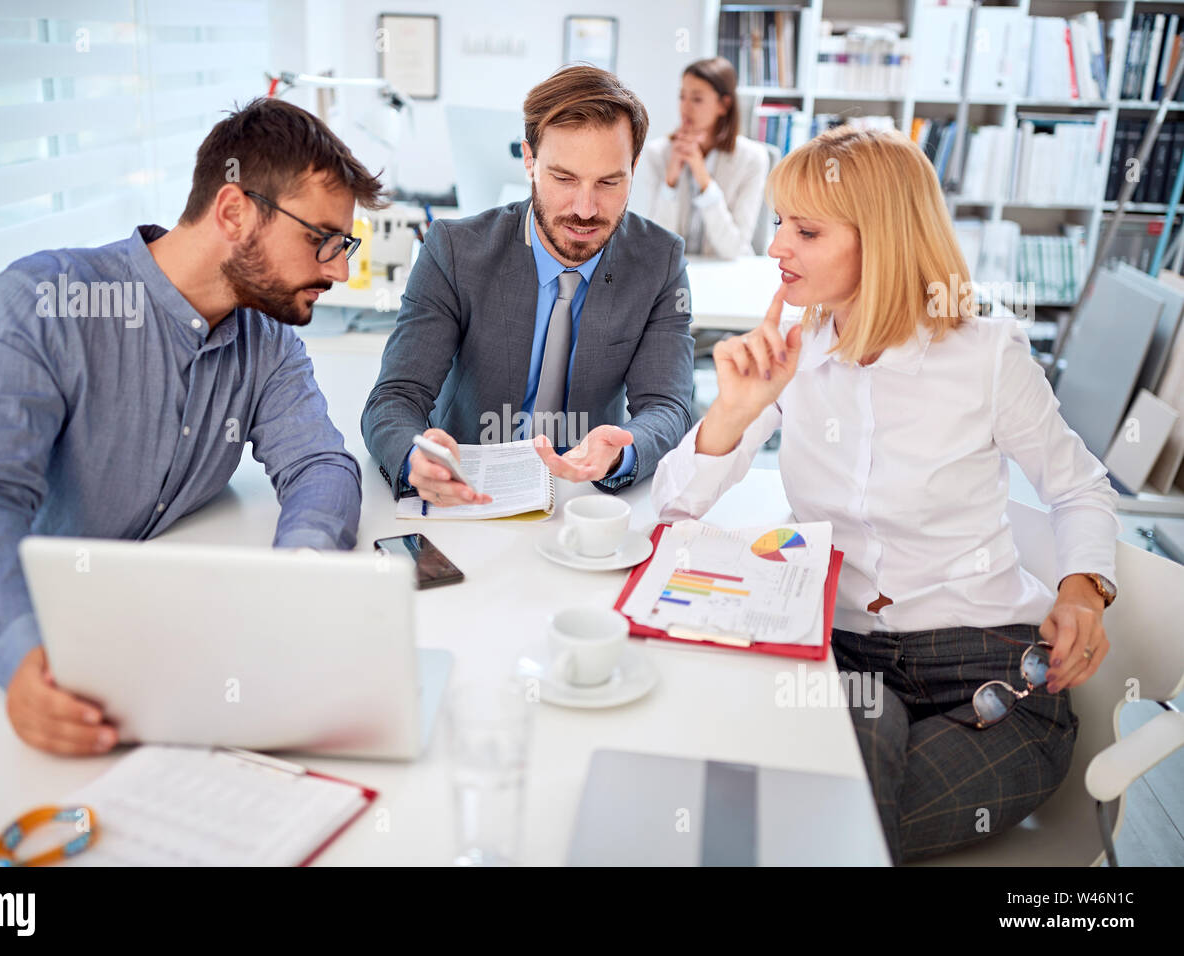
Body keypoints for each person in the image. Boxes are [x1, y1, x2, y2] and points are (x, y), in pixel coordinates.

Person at [650, 126, 1119, 863]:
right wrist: (733, 412)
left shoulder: (987, 355)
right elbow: (672, 511)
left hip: (993, 667)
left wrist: (1084, 592)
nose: (775, 247)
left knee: (820, 822)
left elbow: (1080, 488)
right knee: (841, 801)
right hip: (843, 659)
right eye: (778, 222)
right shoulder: (792, 357)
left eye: (804, 229)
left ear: (884, 240)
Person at [0, 98, 383, 776]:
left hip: (135, 653)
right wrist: (23, 656)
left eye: (344, 245)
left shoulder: (263, 339)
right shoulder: (45, 302)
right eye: (322, 240)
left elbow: (320, 462)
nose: (338, 271)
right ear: (234, 211)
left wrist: (299, 568)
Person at [361, 65, 694, 507]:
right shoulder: (454, 251)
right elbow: (395, 396)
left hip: (585, 499)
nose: (586, 208)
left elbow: (669, 406)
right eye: (564, 178)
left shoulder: (659, 260)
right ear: (529, 160)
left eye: (609, 183)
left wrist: (622, 451)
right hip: (467, 491)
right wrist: (413, 458)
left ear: (633, 168)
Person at [633, 57, 770, 258]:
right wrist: (670, 181)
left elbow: (734, 250)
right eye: (682, 97)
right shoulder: (658, 153)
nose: (685, 108)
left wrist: (703, 179)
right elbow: (657, 245)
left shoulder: (753, 159)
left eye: (697, 99)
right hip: (674, 273)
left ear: (724, 105)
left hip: (725, 274)